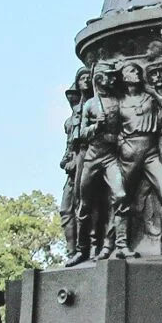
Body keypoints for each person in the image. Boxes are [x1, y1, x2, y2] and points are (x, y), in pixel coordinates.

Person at [67, 60, 135, 265]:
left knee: (121, 195)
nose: (114, 79)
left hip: (110, 158)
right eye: (109, 76)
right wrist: (96, 128)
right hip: (92, 158)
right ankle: (82, 250)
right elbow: (80, 135)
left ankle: (121, 245)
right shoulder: (90, 105)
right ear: (99, 79)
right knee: (85, 205)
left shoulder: (118, 101)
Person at [117, 62, 162, 255]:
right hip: (129, 150)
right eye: (131, 70)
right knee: (121, 196)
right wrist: (122, 144)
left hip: (151, 150)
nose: (136, 72)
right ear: (123, 78)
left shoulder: (149, 98)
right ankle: (119, 244)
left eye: (138, 70)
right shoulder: (118, 102)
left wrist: (155, 93)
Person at [58, 67, 92, 261]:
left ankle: (84, 250)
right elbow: (70, 144)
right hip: (73, 165)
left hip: (88, 159)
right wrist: (67, 159)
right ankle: (72, 253)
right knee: (66, 209)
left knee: (84, 206)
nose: (85, 82)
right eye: (81, 79)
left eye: (88, 78)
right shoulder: (71, 120)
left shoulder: (97, 106)